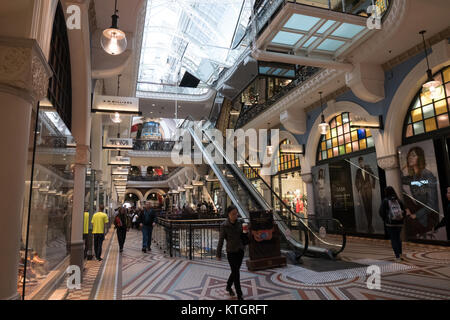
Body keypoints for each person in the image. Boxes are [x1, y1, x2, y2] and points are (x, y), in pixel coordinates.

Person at [401, 146, 439, 238]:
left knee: (409, 223)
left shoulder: (427, 175)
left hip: (429, 215)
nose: (410, 158)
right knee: (401, 193)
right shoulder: (413, 177)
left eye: (413, 155)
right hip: (419, 209)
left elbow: (432, 205)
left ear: (420, 158)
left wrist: (415, 215)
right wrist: (403, 168)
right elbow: (401, 180)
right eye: (409, 156)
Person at [216, 205, 248, 300]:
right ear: (228, 214)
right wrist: (218, 254)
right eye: (233, 214)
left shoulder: (240, 222)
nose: (235, 215)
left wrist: (246, 232)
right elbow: (221, 240)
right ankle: (239, 294)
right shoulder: (224, 226)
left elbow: (244, 234)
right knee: (236, 273)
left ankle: (228, 286)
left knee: (235, 271)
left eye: (236, 213)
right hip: (231, 251)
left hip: (240, 250)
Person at [379, 187, 406, 261]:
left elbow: (381, 212)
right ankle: (400, 254)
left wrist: (385, 219)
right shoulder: (398, 200)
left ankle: (397, 257)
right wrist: (402, 219)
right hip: (399, 223)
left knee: (393, 239)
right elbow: (404, 210)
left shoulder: (385, 201)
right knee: (398, 238)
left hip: (390, 223)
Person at [355, 156, 376, 233]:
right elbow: (356, 181)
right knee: (365, 207)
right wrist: (358, 190)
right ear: (359, 163)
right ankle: (369, 225)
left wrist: (373, 187)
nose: (361, 163)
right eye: (359, 162)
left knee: (369, 206)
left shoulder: (368, 168)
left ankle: (370, 225)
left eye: (362, 162)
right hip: (363, 190)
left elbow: (373, 176)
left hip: (369, 189)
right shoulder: (358, 171)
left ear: (363, 161)